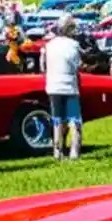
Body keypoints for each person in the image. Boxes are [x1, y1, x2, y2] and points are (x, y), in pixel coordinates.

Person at [41, 16, 84, 161]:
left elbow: (43, 66)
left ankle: (57, 150)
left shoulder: (49, 45)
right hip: (69, 85)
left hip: (53, 84)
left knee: (57, 119)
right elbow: (77, 65)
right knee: (74, 119)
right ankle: (74, 150)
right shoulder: (74, 45)